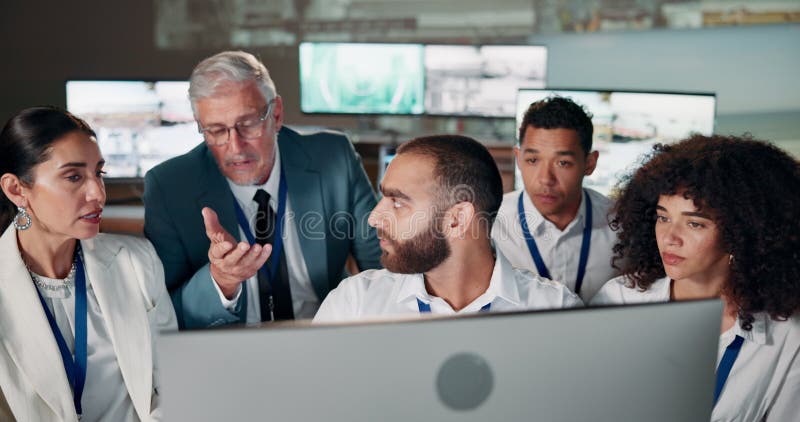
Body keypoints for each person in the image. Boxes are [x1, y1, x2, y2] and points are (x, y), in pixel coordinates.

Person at [143, 51, 382, 329]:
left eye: (247, 124)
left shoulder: (333, 158)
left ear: (276, 114)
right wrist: (221, 281)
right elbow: (163, 312)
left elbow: (383, 263)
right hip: (227, 349)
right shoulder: (169, 186)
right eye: (217, 130)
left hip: (322, 334)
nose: (235, 147)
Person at [590, 135, 800, 421]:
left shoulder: (787, 334)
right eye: (663, 217)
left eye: (694, 223)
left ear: (742, 232)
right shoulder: (618, 299)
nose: (669, 238)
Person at [0, 107, 177, 421]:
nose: (97, 193)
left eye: (99, 173)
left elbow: (172, 387)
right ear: (17, 190)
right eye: (73, 177)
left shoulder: (137, 262)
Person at [314, 135, 582, 322]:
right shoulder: (354, 304)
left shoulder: (555, 311)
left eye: (397, 202)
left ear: (457, 219)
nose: (374, 218)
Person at [492, 96, 618, 302]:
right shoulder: (490, 226)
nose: (545, 179)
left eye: (563, 163)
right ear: (518, 159)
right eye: (532, 160)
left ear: (589, 163)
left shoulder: (621, 227)